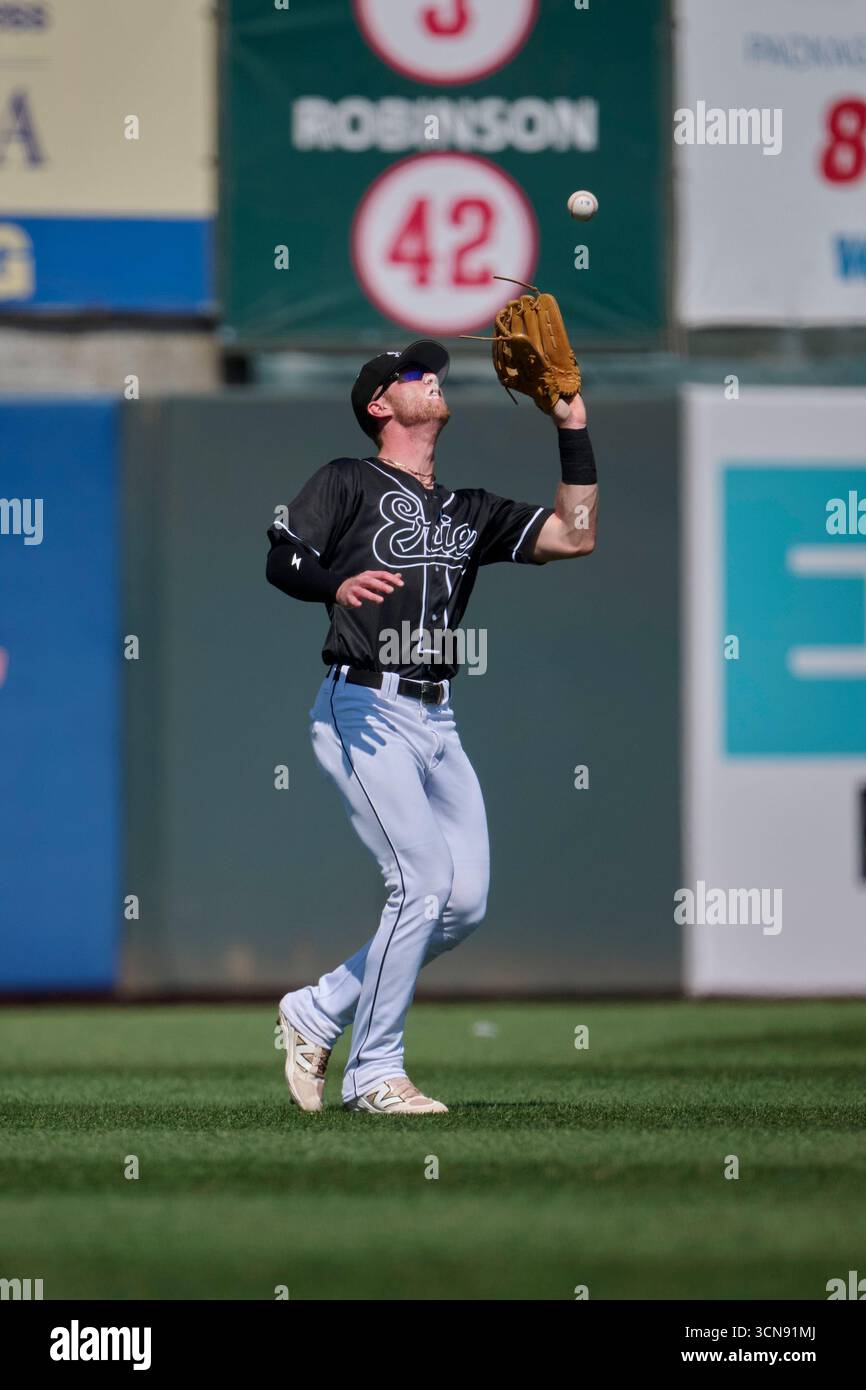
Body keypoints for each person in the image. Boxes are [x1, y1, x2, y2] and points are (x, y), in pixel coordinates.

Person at [266, 338, 598, 1114]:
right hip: (364, 705)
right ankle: (374, 1073)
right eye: (413, 374)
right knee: (419, 882)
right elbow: (282, 560)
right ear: (380, 405)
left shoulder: (468, 510)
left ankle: (316, 1010)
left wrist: (572, 427)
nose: (431, 379)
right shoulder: (347, 479)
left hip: (438, 717)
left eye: (434, 372)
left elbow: (575, 534)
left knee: (463, 903)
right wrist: (333, 580)